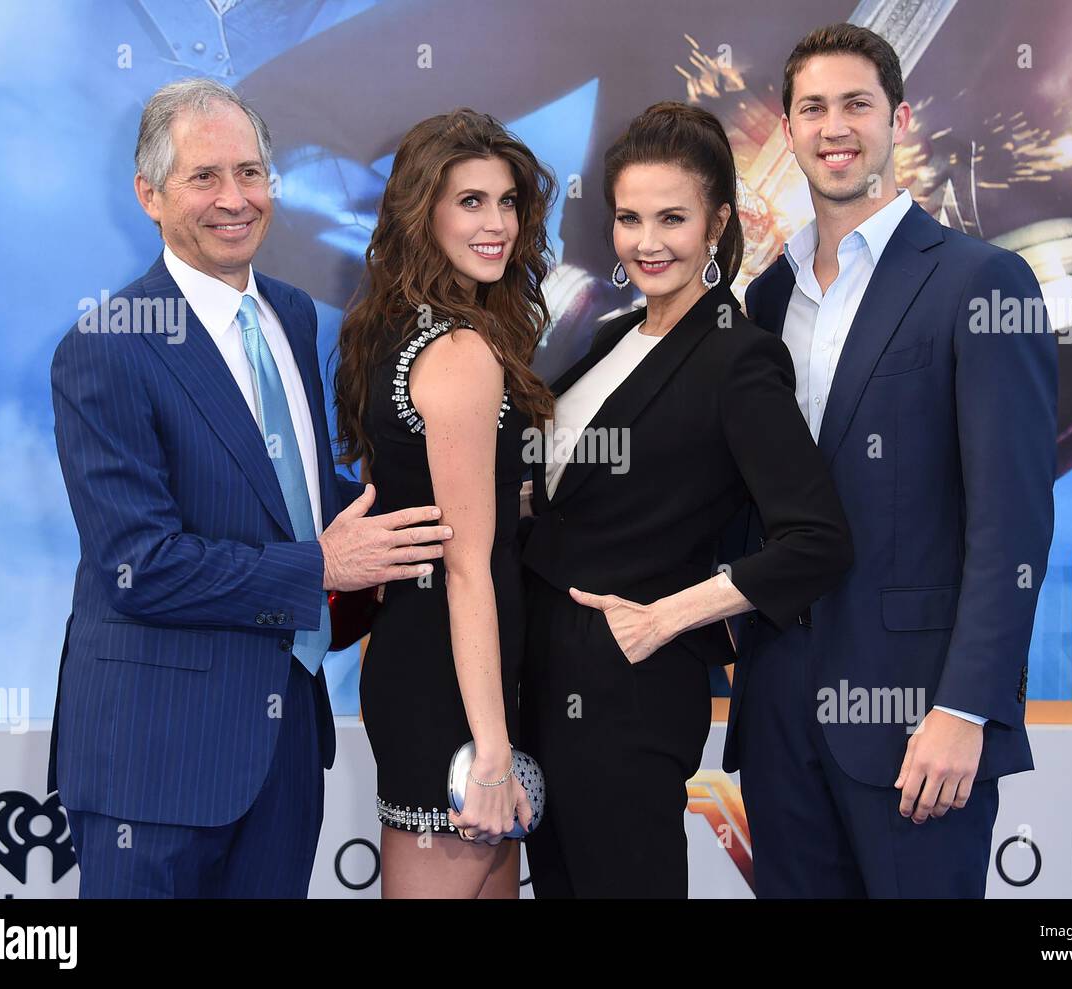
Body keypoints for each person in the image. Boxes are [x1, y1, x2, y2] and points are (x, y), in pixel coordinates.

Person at [48, 78, 446, 898]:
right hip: (153, 766)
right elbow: (141, 563)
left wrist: (464, 497)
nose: (235, 199)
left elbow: (291, 496)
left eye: (251, 173)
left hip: (284, 754)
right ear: (149, 196)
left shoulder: (291, 316)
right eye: (204, 178)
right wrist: (321, 569)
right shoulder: (106, 347)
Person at [724, 23, 1058, 897]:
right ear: (787, 131)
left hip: (920, 724)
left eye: (856, 105)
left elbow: (1013, 522)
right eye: (813, 109)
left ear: (899, 119)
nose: (835, 127)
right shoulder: (766, 298)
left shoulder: (985, 283)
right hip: (779, 722)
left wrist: (965, 707)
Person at [520, 101, 854, 898]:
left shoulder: (738, 358)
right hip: (544, 674)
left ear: (718, 222)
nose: (647, 242)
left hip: (631, 692)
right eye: (629, 219)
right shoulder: (612, 336)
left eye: (672, 217)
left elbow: (817, 538)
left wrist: (664, 617)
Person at [332, 108, 556, 898]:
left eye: (507, 201)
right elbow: (469, 567)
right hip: (454, 685)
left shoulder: (396, 329)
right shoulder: (459, 351)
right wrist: (493, 749)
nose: (497, 224)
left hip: (436, 660)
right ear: (420, 211)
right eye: (470, 201)